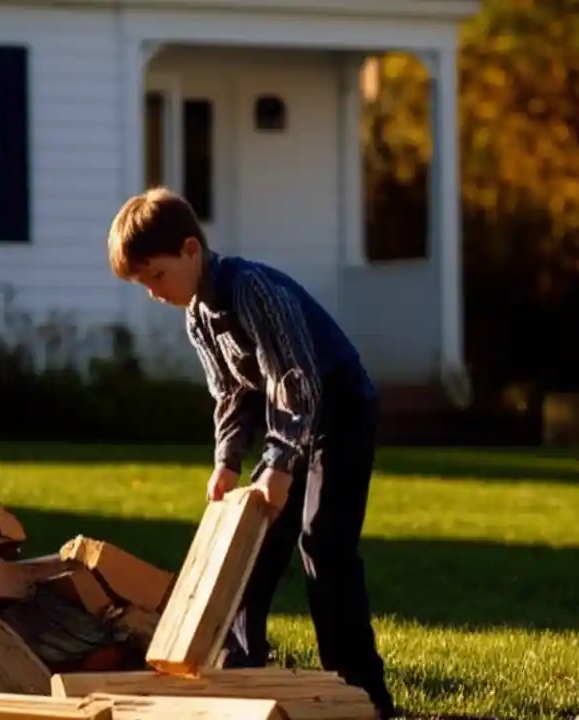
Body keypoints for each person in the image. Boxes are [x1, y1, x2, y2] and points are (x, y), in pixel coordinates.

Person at [106, 187, 398, 718]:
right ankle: (240, 670)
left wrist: (281, 464)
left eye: (155, 275)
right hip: (287, 422)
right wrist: (227, 462)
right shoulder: (197, 314)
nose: (151, 291)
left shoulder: (252, 291)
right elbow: (232, 393)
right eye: (142, 283)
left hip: (340, 411)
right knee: (254, 543)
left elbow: (296, 379)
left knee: (323, 544)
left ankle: (359, 692)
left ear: (191, 251)